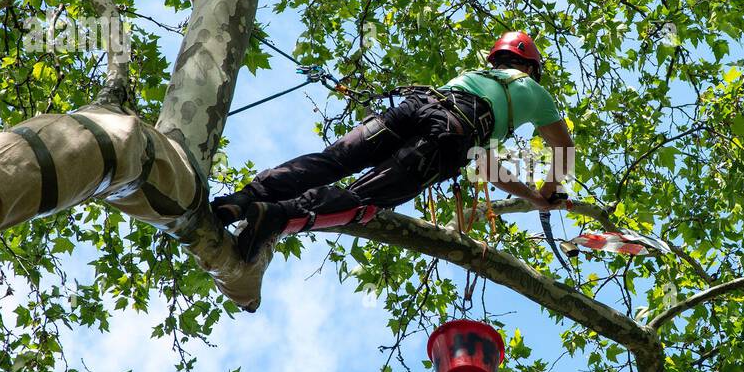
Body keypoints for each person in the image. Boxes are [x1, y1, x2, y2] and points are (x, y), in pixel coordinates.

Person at [214, 30, 576, 261]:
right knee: (362, 202)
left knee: (333, 161)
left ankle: (243, 199)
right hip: (451, 134)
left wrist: (531, 197)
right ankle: (274, 217)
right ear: (530, 67)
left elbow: (486, 167)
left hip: (416, 106)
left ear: (495, 59)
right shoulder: (532, 90)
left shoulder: (473, 78)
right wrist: (546, 192)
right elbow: (564, 149)